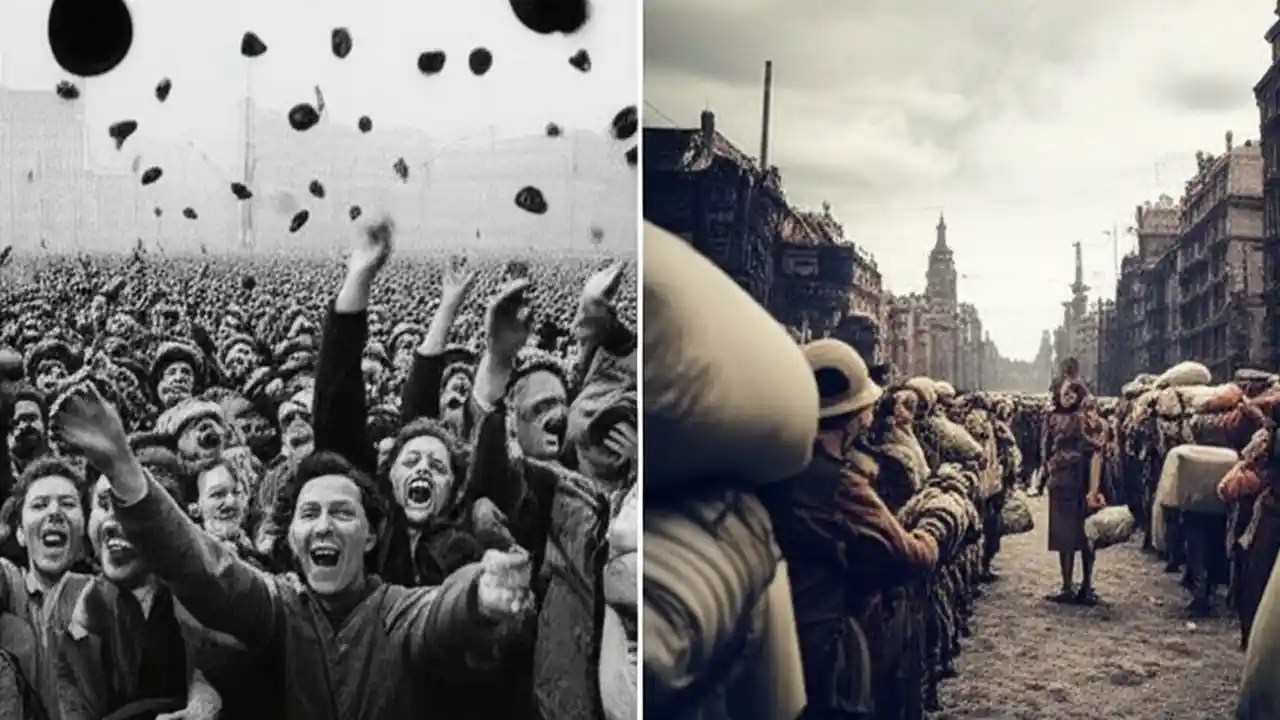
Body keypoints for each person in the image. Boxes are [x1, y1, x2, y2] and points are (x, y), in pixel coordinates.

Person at [56, 350, 536, 719]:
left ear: (371, 536)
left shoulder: (399, 613)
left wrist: (479, 593)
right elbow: (203, 569)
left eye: (342, 513)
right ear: (292, 537)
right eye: (310, 513)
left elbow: (442, 612)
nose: (324, 524)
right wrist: (123, 469)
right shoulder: (280, 610)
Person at [760, 338, 941, 720]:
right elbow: (901, 558)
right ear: (857, 415)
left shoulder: (770, 469)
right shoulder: (839, 485)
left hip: (772, 653)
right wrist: (932, 533)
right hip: (827, 655)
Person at [1043, 379, 1105, 605]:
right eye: (1064, 393)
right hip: (1060, 484)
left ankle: (1087, 586)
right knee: (1063, 537)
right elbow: (1048, 448)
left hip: (1083, 482)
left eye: (1072, 393)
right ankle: (1067, 586)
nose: (1067, 396)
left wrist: (1094, 489)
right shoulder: (1052, 418)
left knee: (1087, 535)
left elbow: (1098, 451)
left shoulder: (1087, 419)